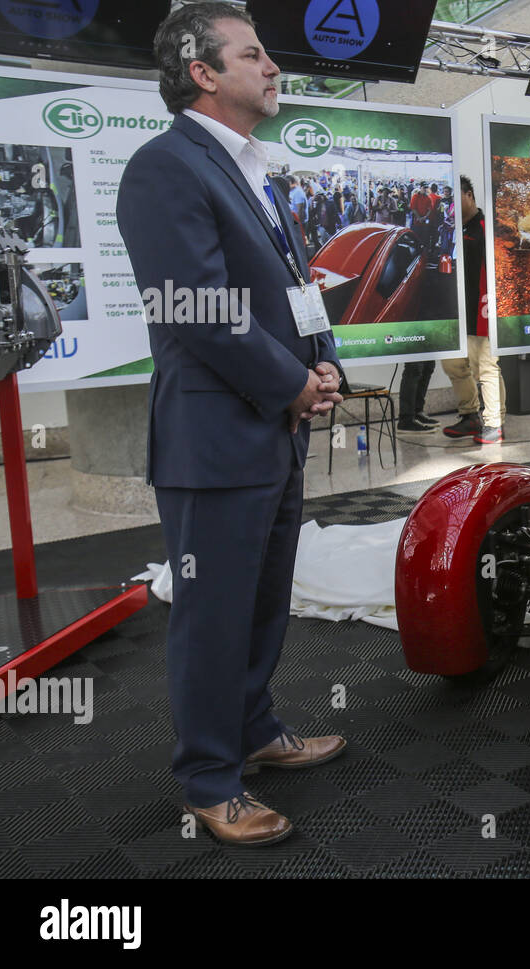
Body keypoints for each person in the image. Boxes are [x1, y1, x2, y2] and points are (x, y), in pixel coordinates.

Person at [116, 2, 346, 846]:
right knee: (212, 615)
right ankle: (209, 778)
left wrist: (321, 362)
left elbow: (291, 288)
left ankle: (253, 729)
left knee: (259, 605)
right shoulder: (165, 167)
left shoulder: (254, 169)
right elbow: (194, 307)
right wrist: (288, 383)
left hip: (271, 427)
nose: (272, 67)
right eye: (253, 55)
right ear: (203, 72)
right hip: (214, 441)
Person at [443, 176, 505, 444]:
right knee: (453, 365)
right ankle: (470, 416)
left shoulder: (485, 228)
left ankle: (495, 423)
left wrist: (490, 309)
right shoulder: (450, 229)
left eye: (456, 198)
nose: (451, 205)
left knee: (487, 368)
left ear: (469, 195)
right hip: (457, 313)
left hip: (483, 312)